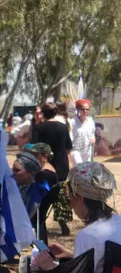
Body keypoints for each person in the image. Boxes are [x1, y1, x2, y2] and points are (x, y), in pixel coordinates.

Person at [0, 162, 119, 273]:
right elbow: (102, 263)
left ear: (80, 198)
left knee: (27, 265)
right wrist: (70, 255)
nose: (69, 202)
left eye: (69, 197)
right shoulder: (117, 223)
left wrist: (51, 268)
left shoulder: (88, 235)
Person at [32, 102, 74, 235]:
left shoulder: (39, 128)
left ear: (43, 113)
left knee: (44, 195)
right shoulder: (63, 127)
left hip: (46, 166)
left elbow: (35, 148)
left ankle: (41, 220)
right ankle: (62, 221)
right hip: (62, 164)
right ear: (56, 113)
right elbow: (68, 146)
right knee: (61, 194)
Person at [12, 151, 44, 220]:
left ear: (30, 173)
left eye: (17, 170)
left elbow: (25, 218)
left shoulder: (35, 193)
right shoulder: (13, 186)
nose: (13, 173)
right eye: (13, 170)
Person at [71, 99, 96, 164]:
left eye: (87, 109)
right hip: (75, 150)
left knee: (86, 171)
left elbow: (92, 133)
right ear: (78, 109)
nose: (85, 111)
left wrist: (93, 138)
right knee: (81, 168)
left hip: (87, 151)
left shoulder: (90, 121)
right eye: (83, 109)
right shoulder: (73, 122)